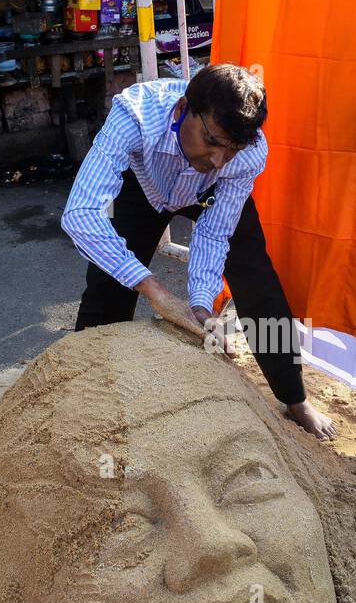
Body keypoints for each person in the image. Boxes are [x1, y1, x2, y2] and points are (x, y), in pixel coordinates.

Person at [60, 63, 336, 439]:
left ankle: (294, 397)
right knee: (109, 285)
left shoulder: (245, 156)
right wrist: (156, 292)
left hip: (209, 195)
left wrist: (200, 306)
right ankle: (80, 389)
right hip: (145, 183)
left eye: (231, 150)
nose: (218, 160)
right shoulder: (134, 115)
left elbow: (213, 235)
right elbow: (80, 214)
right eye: (212, 141)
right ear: (182, 110)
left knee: (258, 282)